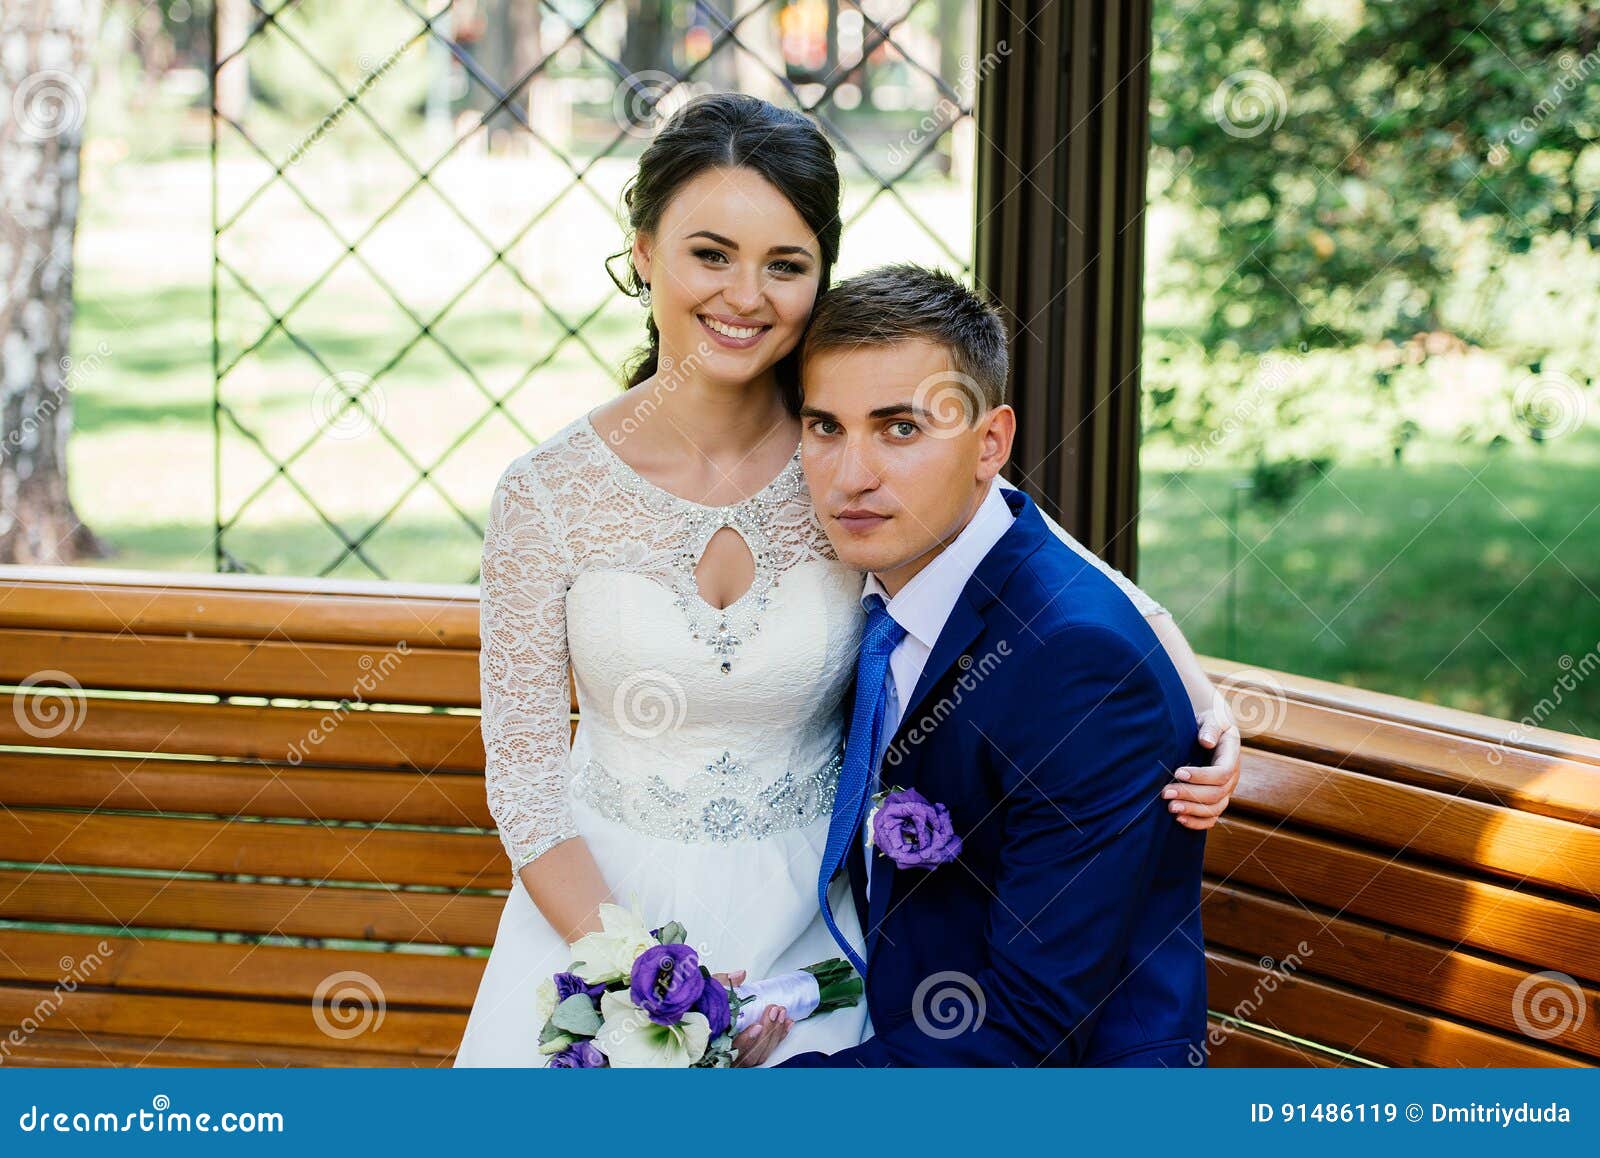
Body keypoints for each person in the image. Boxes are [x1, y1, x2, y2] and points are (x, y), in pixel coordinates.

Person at [453, 94, 1236, 1068]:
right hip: (594, 918)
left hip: (814, 936)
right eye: (711, 254)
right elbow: (525, 780)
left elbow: (1038, 559)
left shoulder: (845, 457)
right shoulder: (547, 492)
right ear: (645, 251)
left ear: (819, 274)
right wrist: (639, 979)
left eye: (784, 265)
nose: (745, 296)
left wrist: (1202, 700)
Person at [780, 265, 1208, 1067]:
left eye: (900, 429)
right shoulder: (882, 594)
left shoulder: (1078, 669)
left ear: (991, 444)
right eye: (826, 427)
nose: (850, 476)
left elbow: (1027, 1029)